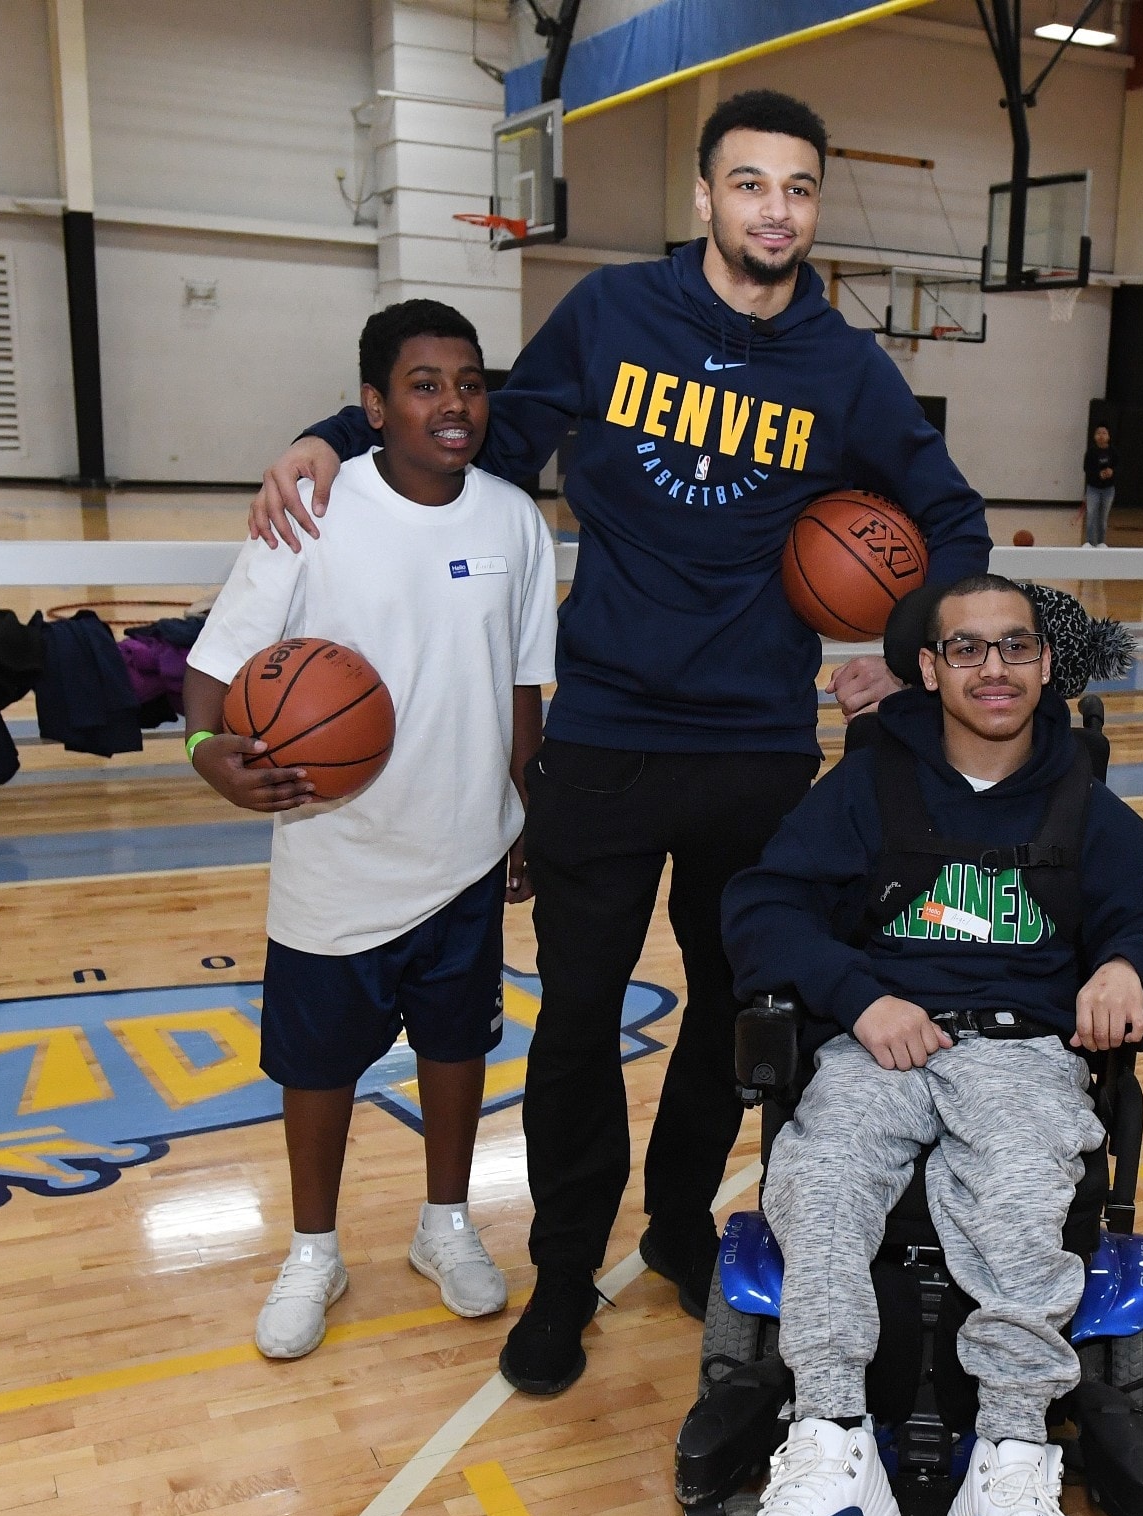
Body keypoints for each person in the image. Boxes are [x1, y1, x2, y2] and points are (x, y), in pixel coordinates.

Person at [245, 90, 993, 1397]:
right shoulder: (612, 316)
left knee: (737, 1010)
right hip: (602, 731)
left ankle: (679, 1225)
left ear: (815, 207)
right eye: (749, 183)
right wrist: (334, 427)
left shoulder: (843, 367)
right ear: (702, 198)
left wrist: (912, 646)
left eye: (798, 188)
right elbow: (490, 427)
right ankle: (563, 1269)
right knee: (577, 1019)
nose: (774, 208)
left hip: (758, 747)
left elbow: (949, 512)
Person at [708, 575, 1143, 1516]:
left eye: (1015, 648)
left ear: (1045, 665)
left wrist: (1128, 962)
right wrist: (858, 995)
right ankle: (831, 1439)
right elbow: (760, 905)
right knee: (819, 1172)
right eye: (968, 651)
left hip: (1020, 1048)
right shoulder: (869, 786)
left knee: (1025, 1188)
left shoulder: (1084, 802)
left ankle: (1011, 1460)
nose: (994, 669)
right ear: (931, 669)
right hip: (885, 1035)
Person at [182, 299, 557, 1357]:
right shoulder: (313, 509)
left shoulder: (512, 521)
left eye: (470, 384)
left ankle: (445, 1223)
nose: (453, 405)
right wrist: (209, 759)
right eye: (426, 384)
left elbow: (526, 684)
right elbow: (213, 672)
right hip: (333, 848)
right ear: (373, 406)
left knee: (455, 1048)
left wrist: (523, 810)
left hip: (465, 848)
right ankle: (313, 1248)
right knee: (317, 1067)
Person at [1080, 423, 1116, 546]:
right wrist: (1097, 474)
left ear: (1109, 436)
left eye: (1104, 433)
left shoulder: (1113, 452)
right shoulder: (1091, 452)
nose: (1101, 436)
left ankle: (1101, 543)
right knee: (1091, 516)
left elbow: (1119, 467)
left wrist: (1112, 471)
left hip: (1108, 489)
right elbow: (1086, 468)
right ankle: (1089, 542)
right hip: (1093, 489)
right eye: (1098, 433)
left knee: (1103, 518)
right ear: (1094, 436)